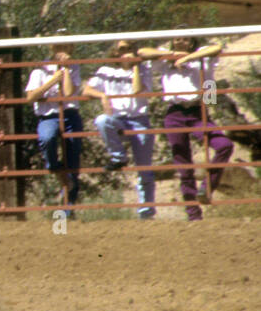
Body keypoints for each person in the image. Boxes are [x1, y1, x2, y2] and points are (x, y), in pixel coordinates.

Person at [139, 36, 234, 221]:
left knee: (224, 145)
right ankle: (193, 214)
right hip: (175, 113)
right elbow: (142, 52)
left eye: (185, 40)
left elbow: (218, 47)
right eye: (176, 40)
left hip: (198, 111)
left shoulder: (202, 56)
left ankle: (207, 187)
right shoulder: (166, 58)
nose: (180, 43)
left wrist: (189, 58)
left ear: (192, 42)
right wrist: (174, 55)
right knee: (184, 164)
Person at [81, 39, 159, 219]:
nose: (126, 52)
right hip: (118, 120)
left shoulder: (143, 69)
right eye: (122, 49)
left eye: (129, 48)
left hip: (139, 119)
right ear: (115, 53)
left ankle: (146, 212)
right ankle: (118, 156)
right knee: (101, 120)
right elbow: (86, 90)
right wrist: (102, 96)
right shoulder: (105, 71)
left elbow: (138, 91)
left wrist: (135, 66)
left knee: (144, 168)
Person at [24, 32, 84, 216]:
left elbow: (67, 93)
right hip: (48, 116)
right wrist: (52, 81)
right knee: (47, 138)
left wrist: (64, 70)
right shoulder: (40, 69)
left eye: (65, 46)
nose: (61, 50)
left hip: (70, 114)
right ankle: (55, 169)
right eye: (58, 45)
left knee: (73, 159)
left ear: (71, 49)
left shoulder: (73, 67)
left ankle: (68, 208)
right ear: (51, 47)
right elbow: (31, 96)